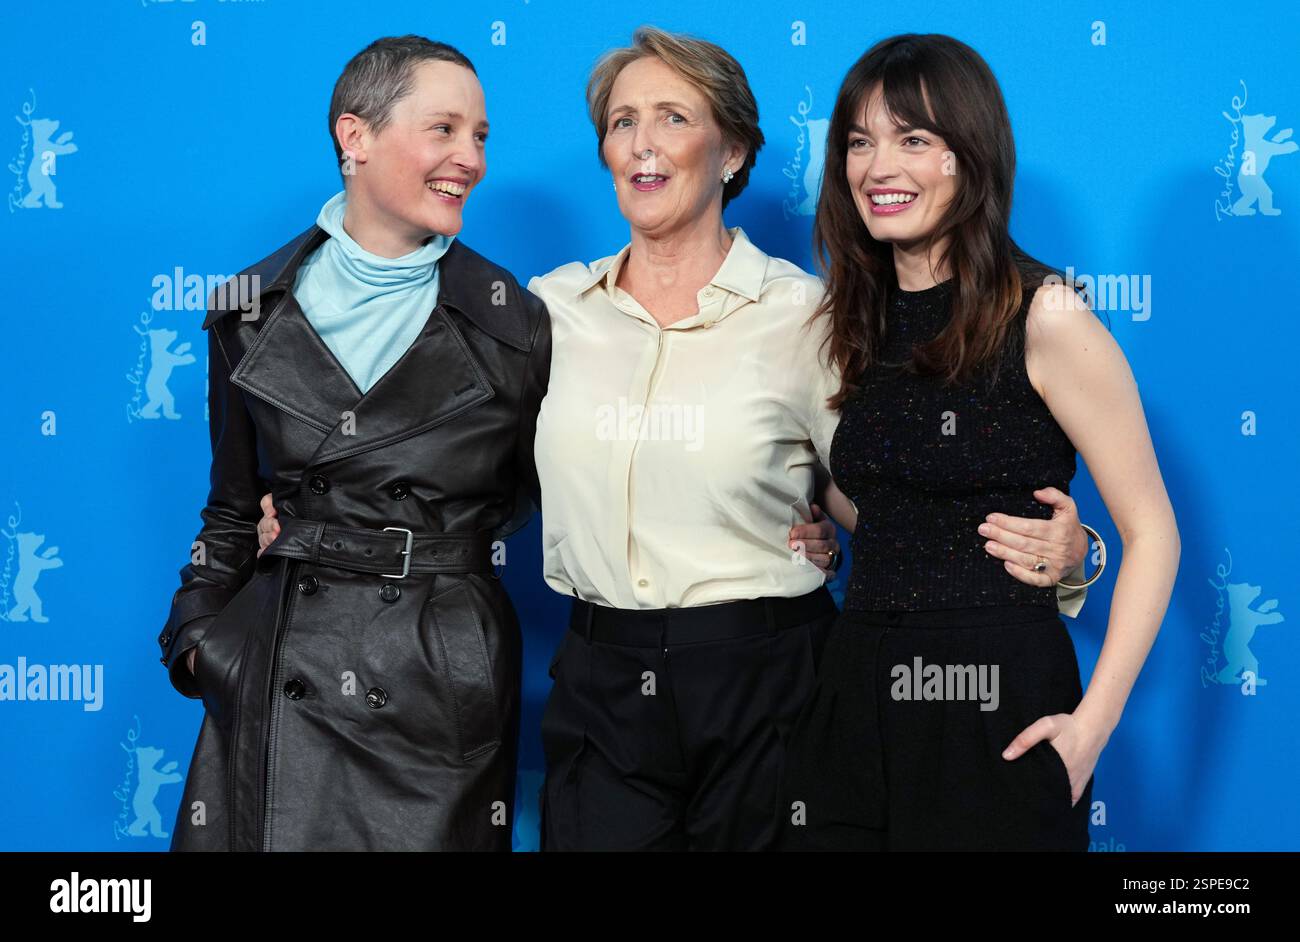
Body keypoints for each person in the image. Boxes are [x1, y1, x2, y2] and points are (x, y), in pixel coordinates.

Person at [525, 27, 1092, 852]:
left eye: (673, 118)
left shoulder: (815, 315)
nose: (642, 144)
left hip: (767, 682)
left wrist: (1076, 554)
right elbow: (459, 449)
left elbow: (893, 490)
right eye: (621, 122)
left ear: (732, 153)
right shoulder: (549, 312)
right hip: (600, 685)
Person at [776, 33, 1180, 851]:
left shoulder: (1046, 315)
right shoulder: (851, 321)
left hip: (996, 707)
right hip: (854, 698)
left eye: (913, 139)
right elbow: (894, 504)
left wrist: (1090, 728)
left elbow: (1155, 534)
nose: (878, 166)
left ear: (971, 156)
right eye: (860, 142)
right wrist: (812, 505)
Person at [157, 35, 550, 851]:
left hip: (436, 687)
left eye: (480, 136)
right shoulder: (246, 309)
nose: (470, 158)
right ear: (356, 137)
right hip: (277, 676)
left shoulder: (515, 321)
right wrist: (198, 640)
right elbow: (231, 508)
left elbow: (534, 494)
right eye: (444, 130)